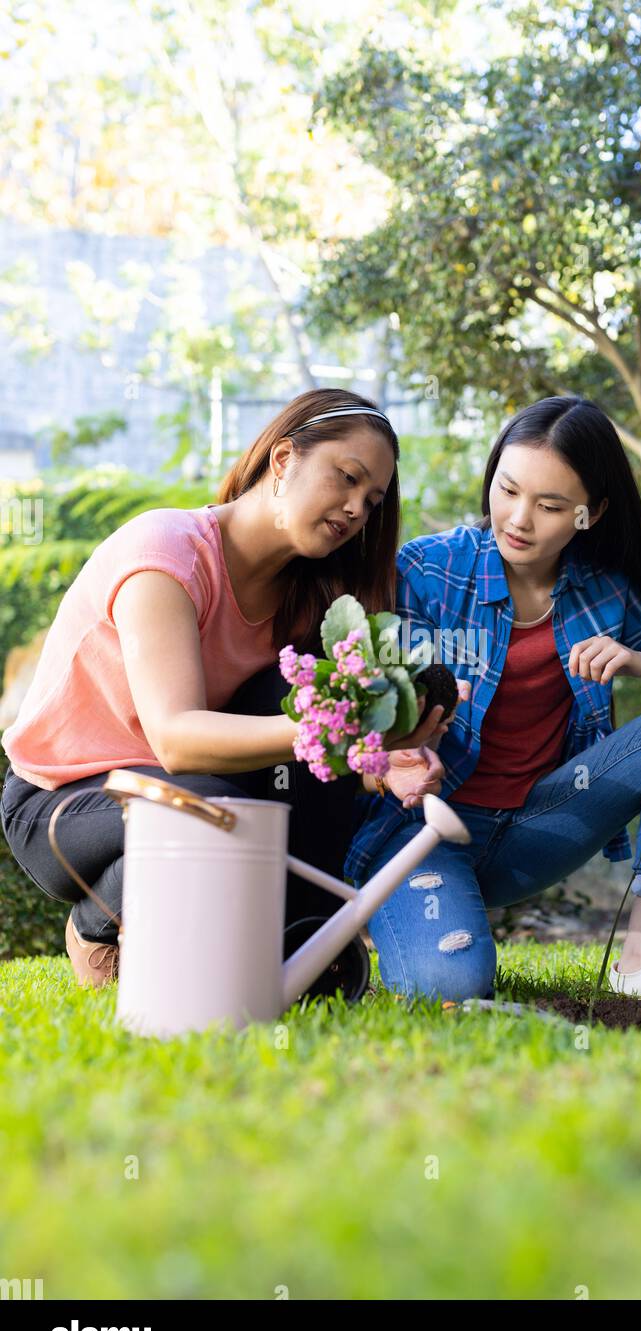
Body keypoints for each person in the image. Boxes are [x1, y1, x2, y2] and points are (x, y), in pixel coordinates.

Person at [0, 388, 455, 988]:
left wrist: (378, 758)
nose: (355, 510)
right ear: (284, 458)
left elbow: (282, 742)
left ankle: (302, 932)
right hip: (68, 802)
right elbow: (177, 740)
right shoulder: (165, 552)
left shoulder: (308, 599)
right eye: (346, 478)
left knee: (295, 703)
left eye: (370, 501)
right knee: (222, 808)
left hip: (201, 792)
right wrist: (331, 732)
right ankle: (100, 924)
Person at [346, 395, 641, 1013]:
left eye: (550, 506)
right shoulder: (427, 571)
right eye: (508, 490)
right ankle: (406, 921)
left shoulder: (605, 588)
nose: (519, 519)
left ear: (589, 515)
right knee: (451, 989)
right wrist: (410, 736)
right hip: (424, 830)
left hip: (538, 828)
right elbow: (366, 703)